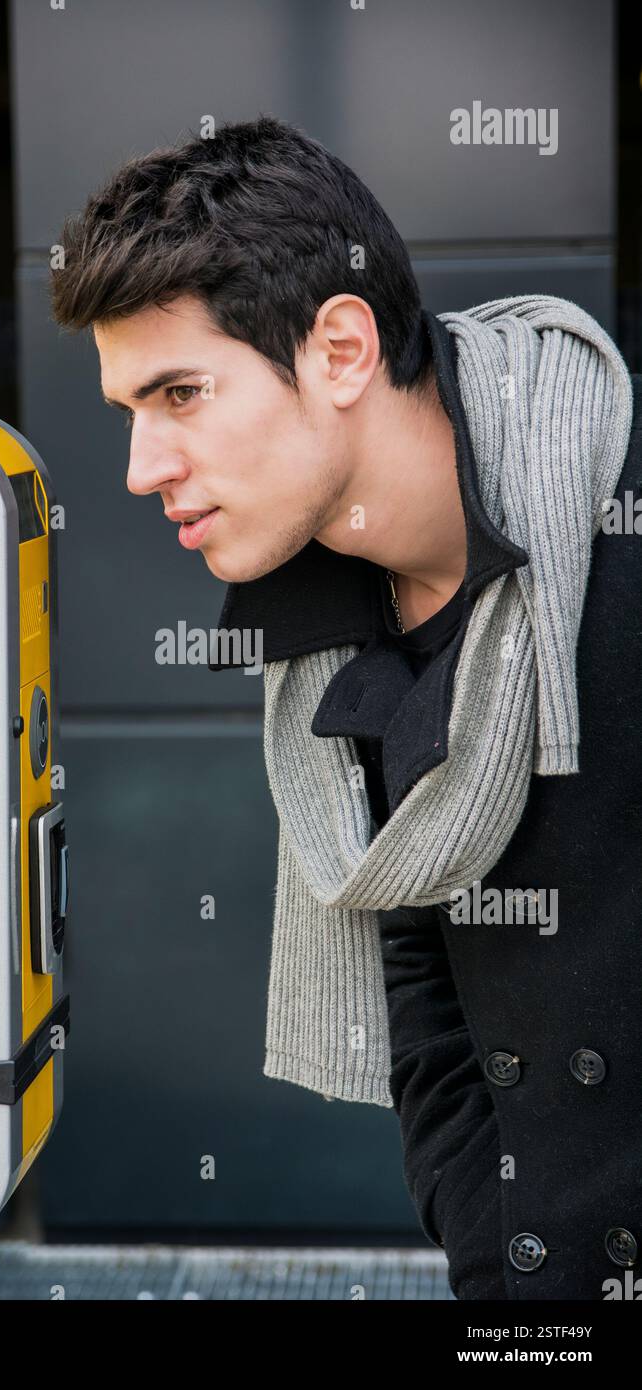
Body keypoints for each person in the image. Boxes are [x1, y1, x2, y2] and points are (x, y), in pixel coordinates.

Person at [48, 114, 642, 1301]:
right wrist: (501, 1248)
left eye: (180, 393)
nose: (140, 466)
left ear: (339, 348)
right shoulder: (318, 624)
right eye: (128, 410)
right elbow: (420, 989)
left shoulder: (612, 514)